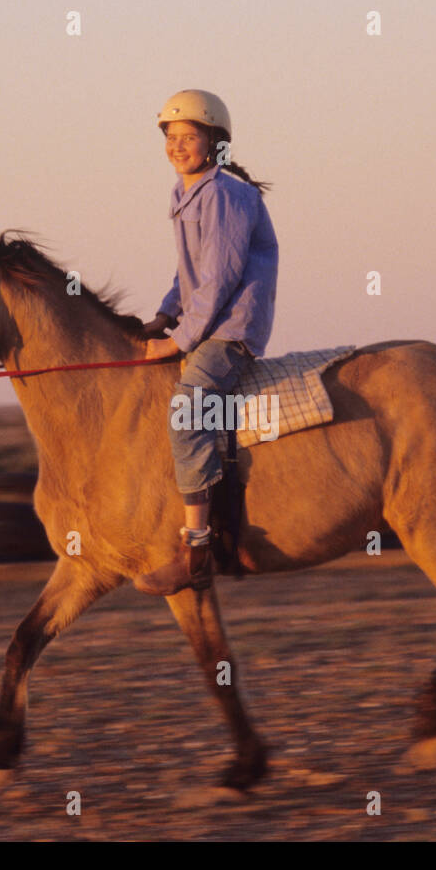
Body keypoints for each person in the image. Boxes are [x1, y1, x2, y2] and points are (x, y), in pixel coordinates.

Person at [134, 89, 279, 596]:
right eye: (171, 138)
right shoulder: (186, 192)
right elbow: (188, 272)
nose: (176, 147)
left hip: (230, 330)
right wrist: (163, 316)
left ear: (215, 143)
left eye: (188, 138)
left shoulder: (222, 193)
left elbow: (218, 278)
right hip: (205, 323)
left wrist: (179, 342)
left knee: (186, 411)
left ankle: (197, 552)